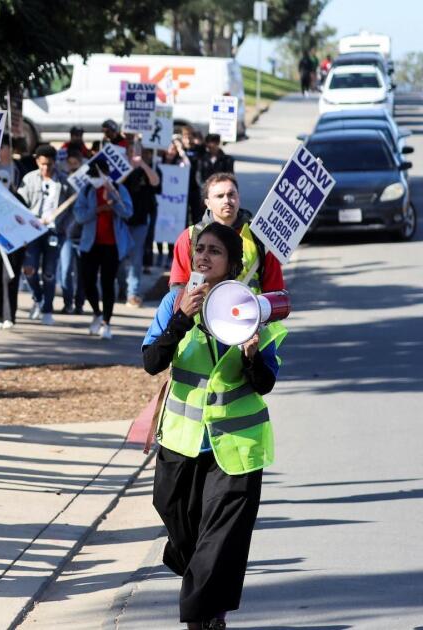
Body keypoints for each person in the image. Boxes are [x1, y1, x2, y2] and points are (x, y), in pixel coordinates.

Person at [142, 221, 286, 629]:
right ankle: (204, 591)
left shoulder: (254, 309)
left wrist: (251, 356)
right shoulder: (174, 302)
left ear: (233, 264)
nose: (204, 256)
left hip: (236, 446)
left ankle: (203, 618)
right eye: (200, 249)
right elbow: (152, 362)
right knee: (181, 529)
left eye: (215, 251)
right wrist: (181, 319)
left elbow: (265, 383)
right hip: (182, 443)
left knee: (220, 540)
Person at [169, 173, 285, 294]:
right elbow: (177, 289)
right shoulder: (189, 237)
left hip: (251, 306)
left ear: (238, 198)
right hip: (203, 307)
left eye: (231, 194)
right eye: (219, 196)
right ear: (207, 203)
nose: (227, 200)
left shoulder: (260, 236)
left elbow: (275, 291)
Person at [72, 161, 133, 340]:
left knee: (108, 284)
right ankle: (97, 313)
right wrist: (97, 209)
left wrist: (113, 204)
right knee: (87, 282)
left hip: (112, 245)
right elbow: (79, 216)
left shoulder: (119, 189)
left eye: (97, 175)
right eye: (92, 176)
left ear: (106, 174)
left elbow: (128, 212)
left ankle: (106, 322)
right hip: (90, 245)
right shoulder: (87, 190)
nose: (95, 179)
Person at [18, 145, 76, 325]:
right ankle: (38, 297)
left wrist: (65, 227)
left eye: (49, 164)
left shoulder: (64, 181)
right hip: (32, 230)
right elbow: (20, 203)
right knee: (29, 269)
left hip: (54, 231)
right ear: (37, 161)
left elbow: (73, 208)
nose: (45, 168)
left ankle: (47, 309)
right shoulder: (29, 179)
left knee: (49, 273)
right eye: (42, 164)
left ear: (55, 163)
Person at [120, 141, 162, 307]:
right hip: (122, 221)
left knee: (136, 259)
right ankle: (121, 289)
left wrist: (142, 165)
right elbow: (115, 183)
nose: (134, 155)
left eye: (137, 152)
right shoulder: (122, 168)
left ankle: (133, 293)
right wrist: (129, 167)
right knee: (120, 258)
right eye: (131, 151)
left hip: (140, 220)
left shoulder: (150, 168)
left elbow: (155, 182)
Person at [60, 152, 87, 314]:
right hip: (67, 234)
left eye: (75, 163)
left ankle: (79, 304)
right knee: (65, 271)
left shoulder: (87, 186)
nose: (72, 166)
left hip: (84, 235)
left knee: (81, 273)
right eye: (69, 163)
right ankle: (67, 302)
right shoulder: (62, 183)